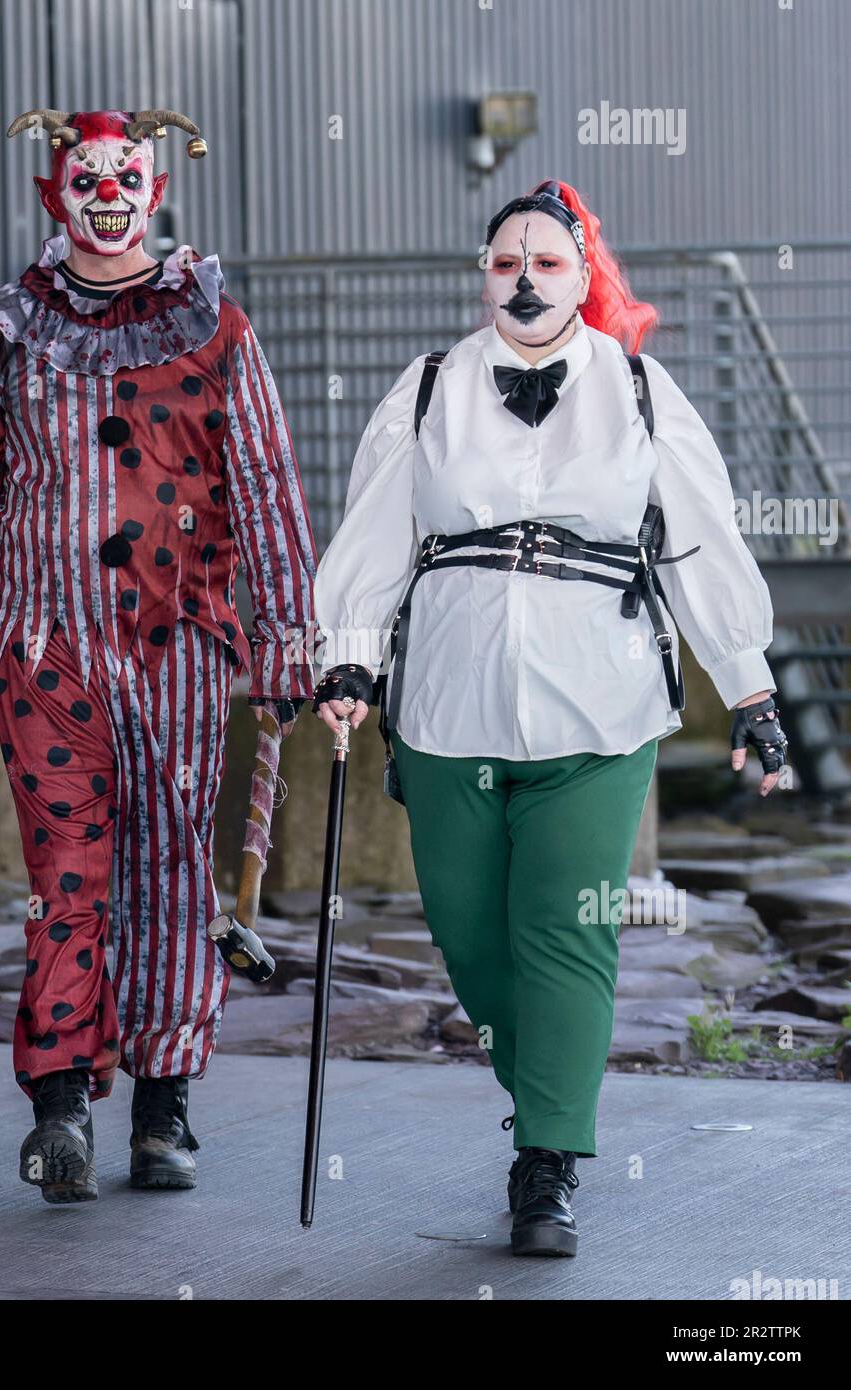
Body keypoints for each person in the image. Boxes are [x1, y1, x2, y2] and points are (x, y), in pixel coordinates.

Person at [311, 179, 788, 1258]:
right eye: (504, 263)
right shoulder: (428, 389)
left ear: (582, 279)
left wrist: (748, 689)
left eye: (547, 263)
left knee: (566, 931)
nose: (523, 279)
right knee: (468, 934)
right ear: (481, 279)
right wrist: (348, 655)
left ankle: (547, 1159)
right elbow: (377, 532)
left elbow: (698, 541)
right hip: (447, 707)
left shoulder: (640, 390)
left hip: (600, 707)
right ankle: (545, 1097)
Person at [0, 108, 316, 1203]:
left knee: (175, 875)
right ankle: (59, 1106)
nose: (107, 196)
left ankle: (161, 1106)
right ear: (55, 195)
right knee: (65, 877)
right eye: (84, 179)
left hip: (179, 650)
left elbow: (267, 488)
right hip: (44, 651)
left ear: (155, 190)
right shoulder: (6, 329)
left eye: (125, 177)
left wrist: (287, 643)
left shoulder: (216, 327)